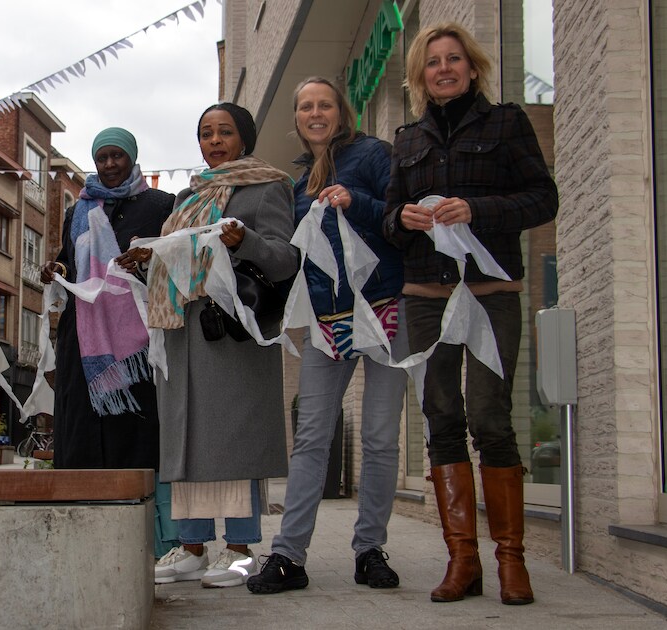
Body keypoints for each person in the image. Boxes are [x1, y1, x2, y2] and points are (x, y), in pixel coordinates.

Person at [382, 22, 558, 605]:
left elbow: (543, 198)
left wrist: (477, 210)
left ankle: (511, 559)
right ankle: (463, 560)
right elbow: (388, 218)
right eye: (433, 62)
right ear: (421, 75)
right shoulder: (407, 139)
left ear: (473, 67)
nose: (444, 69)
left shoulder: (506, 122)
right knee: (441, 417)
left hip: (490, 293)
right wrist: (402, 219)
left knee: (489, 416)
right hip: (425, 297)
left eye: (453, 59)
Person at [119, 103, 300, 588]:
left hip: (232, 334)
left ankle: (240, 551)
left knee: (232, 440)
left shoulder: (268, 186)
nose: (214, 141)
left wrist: (244, 241)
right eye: (206, 133)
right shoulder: (188, 195)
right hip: (182, 332)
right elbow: (180, 259)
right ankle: (193, 547)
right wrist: (145, 261)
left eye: (224, 132)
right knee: (188, 441)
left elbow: (285, 259)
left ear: (245, 138)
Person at [246, 78, 408, 594]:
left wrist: (355, 201)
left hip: (384, 308)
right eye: (306, 107)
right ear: (297, 118)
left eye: (324, 104)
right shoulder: (296, 187)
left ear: (341, 111)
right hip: (327, 322)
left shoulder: (374, 154)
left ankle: (370, 550)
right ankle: (289, 556)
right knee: (312, 437)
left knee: (380, 436)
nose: (315, 113)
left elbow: (401, 220)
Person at [41, 127, 180, 558]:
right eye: (102, 157)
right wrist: (57, 269)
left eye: (117, 155)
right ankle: (83, 539)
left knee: (136, 432)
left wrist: (145, 262)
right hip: (83, 340)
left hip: (135, 342)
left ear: (132, 157)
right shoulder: (79, 210)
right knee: (81, 432)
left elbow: (176, 259)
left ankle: (148, 543)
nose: (109, 164)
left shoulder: (161, 205)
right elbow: (70, 259)